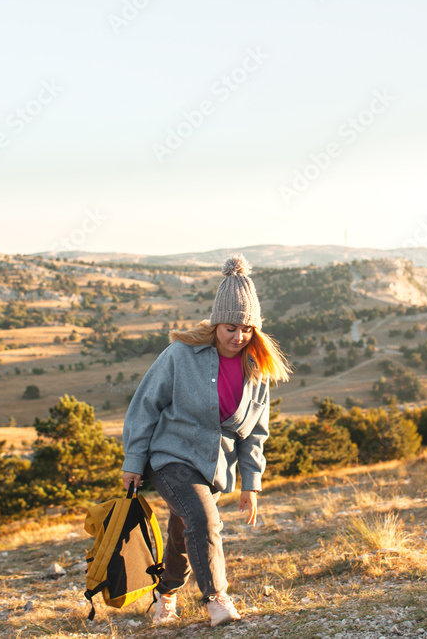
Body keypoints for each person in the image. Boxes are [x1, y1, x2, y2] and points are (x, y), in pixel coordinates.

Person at [120, 255, 291, 627]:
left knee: (185, 533)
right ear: (216, 322)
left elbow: (255, 432)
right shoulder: (181, 355)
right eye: (230, 327)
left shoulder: (257, 370)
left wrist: (252, 483)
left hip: (214, 467)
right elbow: (145, 404)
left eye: (247, 329)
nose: (238, 336)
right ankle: (217, 599)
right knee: (204, 519)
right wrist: (133, 462)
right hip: (170, 457)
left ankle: (164, 594)